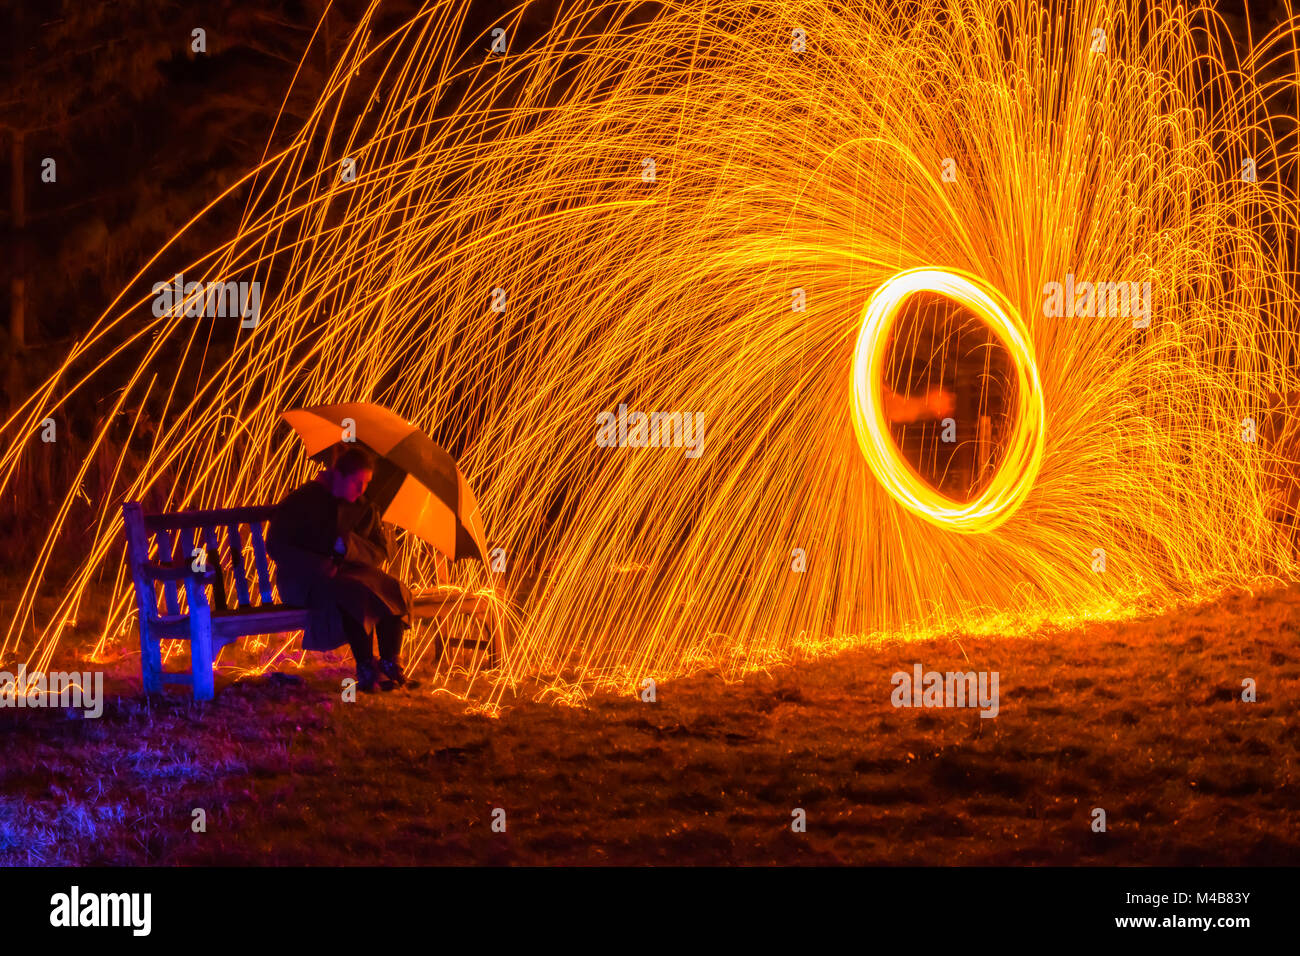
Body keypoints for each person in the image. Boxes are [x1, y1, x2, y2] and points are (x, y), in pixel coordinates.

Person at [267, 446, 415, 693]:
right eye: (357, 482)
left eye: (366, 483)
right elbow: (276, 545)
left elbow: (379, 550)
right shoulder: (304, 500)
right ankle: (366, 667)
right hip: (302, 581)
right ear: (339, 476)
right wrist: (317, 564)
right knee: (353, 592)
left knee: (392, 588)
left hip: (350, 572)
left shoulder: (365, 508)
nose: (362, 489)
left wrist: (350, 546)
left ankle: (390, 662)